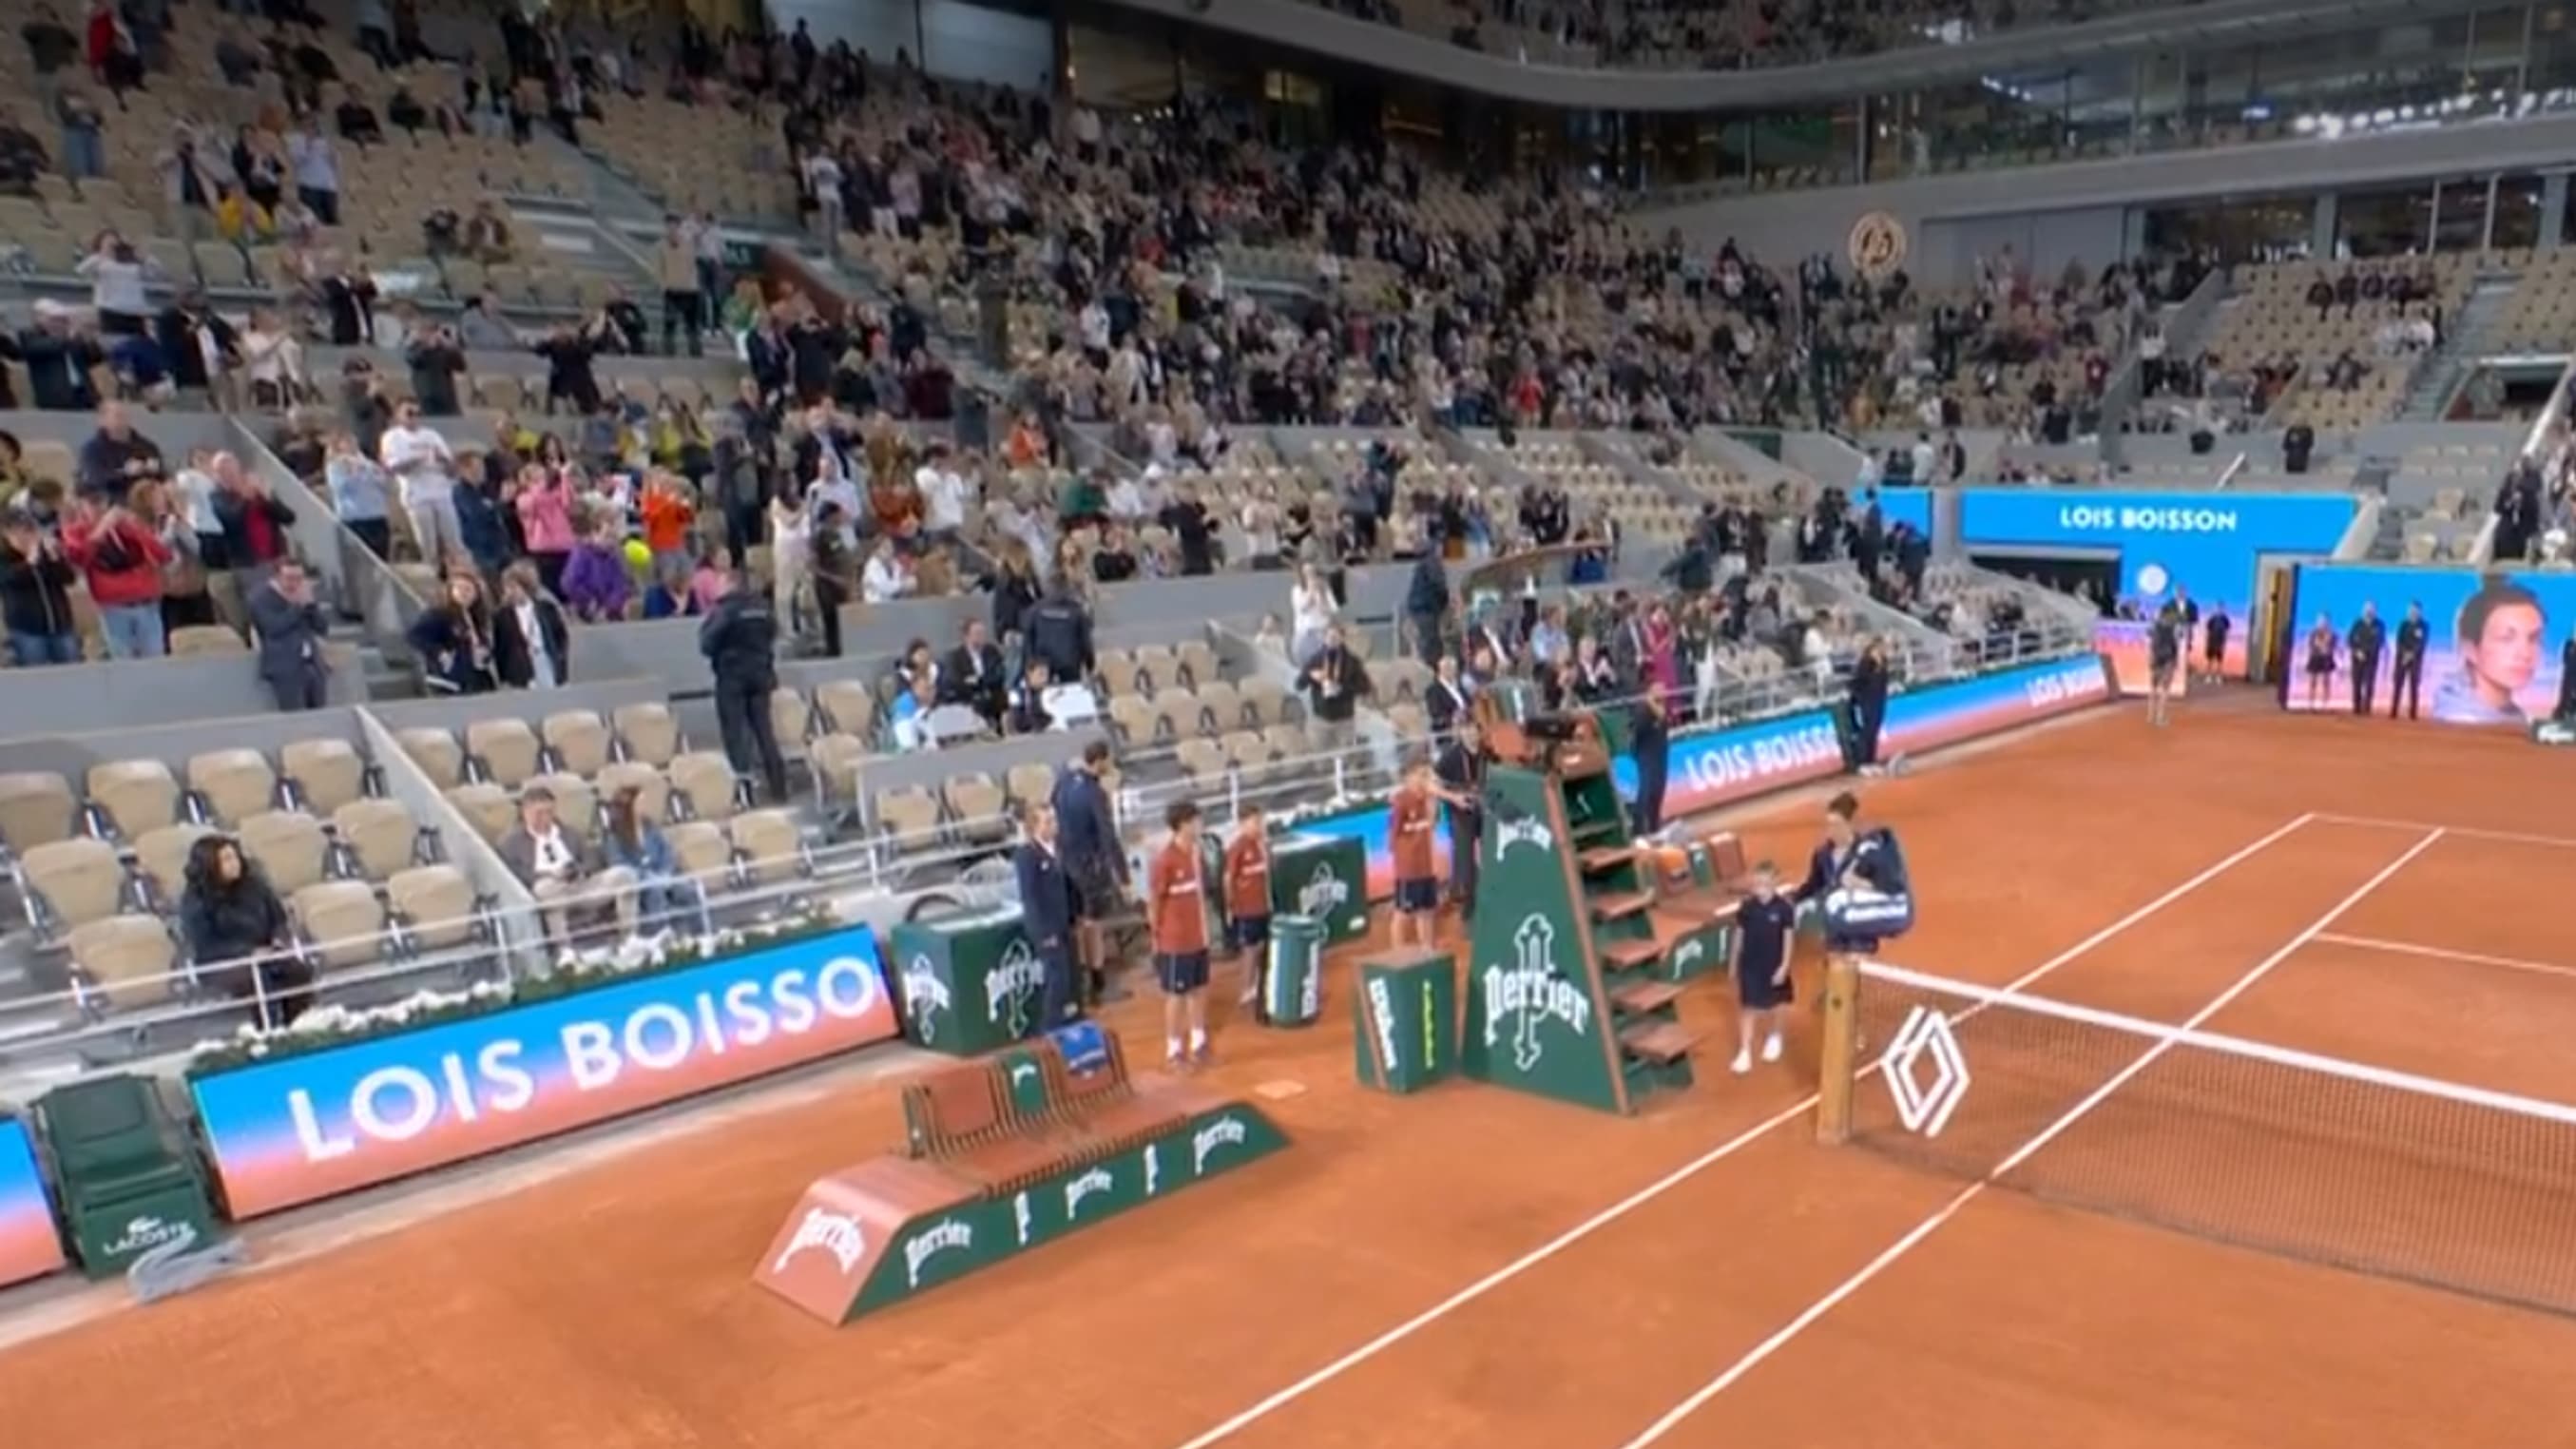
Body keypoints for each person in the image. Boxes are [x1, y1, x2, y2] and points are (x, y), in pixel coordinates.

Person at [179, 833, 313, 1029]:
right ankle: (267, 1032)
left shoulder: (255, 885)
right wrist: (248, 953)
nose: (234, 863)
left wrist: (278, 940)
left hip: (267, 953)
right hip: (223, 963)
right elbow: (206, 946)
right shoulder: (195, 901)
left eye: (234, 857)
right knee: (257, 978)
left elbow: (278, 918)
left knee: (297, 971)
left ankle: (295, 1027)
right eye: (226, 859)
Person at [499, 784, 639, 950]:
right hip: (551, 888)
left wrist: (580, 871)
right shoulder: (511, 843)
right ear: (525, 813)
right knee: (545, 888)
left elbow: (591, 858)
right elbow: (515, 874)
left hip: (581, 885)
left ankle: (629, 938)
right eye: (539, 814)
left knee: (624, 875)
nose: (545, 818)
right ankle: (564, 949)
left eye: (549, 812)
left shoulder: (569, 833)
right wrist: (548, 875)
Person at [698, 565, 789, 802]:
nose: (717, 587)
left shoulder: (725, 610)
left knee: (736, 735)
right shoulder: (762, 608)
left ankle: (745, 791)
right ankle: (778, 787)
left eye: (720, 581)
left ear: (730, 584)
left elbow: (706, 644)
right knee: (765, 733)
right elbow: (773, 633)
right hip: (761, 676)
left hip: (732, 678)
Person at [1052, 740, 1126, 1005]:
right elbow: (1108, 835)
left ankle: (1081, 982)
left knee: (1077, 924)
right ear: (1101, 760)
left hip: (1065, 862)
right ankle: (1098, 984)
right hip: (1089, 867)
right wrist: (1123, 874)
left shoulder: (1063, 780)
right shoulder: (1095, 793)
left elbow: (1054, 811)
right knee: (1093, 924)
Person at [1147, 800, 1215, 1069]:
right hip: (1175, 942)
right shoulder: (1165, 861)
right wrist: (1157, 938)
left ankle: (1199, 1042)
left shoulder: (1196, 854)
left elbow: (1200, 897)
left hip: (1198, 937)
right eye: (1196, 820)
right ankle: (1173, 1049)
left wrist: (1206, 930)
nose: (1200, 824)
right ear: (1183, 825)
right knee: (1176, 996)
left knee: (1199, 990)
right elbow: (1154, 902)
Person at [2432, 580, 2544, 724]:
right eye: (2506, 638)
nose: (2525, 654)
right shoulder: (2461, 723)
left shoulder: (2514, 718)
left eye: (2533, 639)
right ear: (2470, 649)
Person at [1011, 800, 1082, 1028]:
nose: (1055, 826)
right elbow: (1030, 898)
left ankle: (1072, 1017)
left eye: (1055, 820)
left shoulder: (1058, 849)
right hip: (1047, 929)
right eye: (1048, 821)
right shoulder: (1027, 856)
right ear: (1035, 826)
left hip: (1064, 923)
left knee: (1071, 976)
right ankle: (1051, 1026)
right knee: (1057, 978)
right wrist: (1043, 932)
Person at [1730, 860, 1797, 1074]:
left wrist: (1784, 966)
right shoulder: (1747, 908)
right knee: (1748, 1008)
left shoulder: (1784, 908)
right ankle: (1745, 1051)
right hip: (1750, 966)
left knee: (1777, 1005)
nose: (1759, 886)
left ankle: (1776, 1037)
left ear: (1774, 882)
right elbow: (1738, 936)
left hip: (1775, 965)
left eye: (1764, 882)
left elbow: (1788, 939)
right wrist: (1733, 964)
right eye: (1756, 882)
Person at [601, 785, 693, 935]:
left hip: (662, 875)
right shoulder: (613, 836)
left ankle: (701, 935)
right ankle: (661, 939)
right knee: (655, 892)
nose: (645, 806)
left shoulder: (650, 826)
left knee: (688, 889)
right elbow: (619, 865)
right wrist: (647, 877)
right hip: (639, 883)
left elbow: (667, 851)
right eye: (640, 803)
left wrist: (665, 873)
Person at [0, 509, 79, 666]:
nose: (26, 536)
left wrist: (55, 558)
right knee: (35, 673)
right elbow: (11, 579)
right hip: (27, 630)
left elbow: (69, 578)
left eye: (29, 530)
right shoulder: (5, 559)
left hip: (60, 626)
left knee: (71, 670)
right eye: (20, 531)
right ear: (7, 534)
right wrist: (30, 561)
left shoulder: (45, 555)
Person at [249, 559, 331, 710]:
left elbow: (322, 628)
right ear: (277, 577)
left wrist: (311, 607)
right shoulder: (260, 598)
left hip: (312, 664)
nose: (295, 583)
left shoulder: (303, 598)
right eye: (289, 578)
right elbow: (273, 628)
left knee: (320, 713)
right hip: (285, 667)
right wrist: (297, 607)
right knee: (296, 714)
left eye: (299, 578)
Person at [1433, 717, 1488, 917]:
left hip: (1486, 809)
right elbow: (1433, 785)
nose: (1471, 733)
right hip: (1461, 813)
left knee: (1493, 855)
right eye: (1466, 729)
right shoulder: (1451, 755)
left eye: (1474, 728)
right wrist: (1454, 797)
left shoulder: (1488, 751)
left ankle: (1490, 900)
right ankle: (1469, 910)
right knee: (1464, 861)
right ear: (1460, 732)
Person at [410, 572, 496, 694]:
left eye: (468, 590)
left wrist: (484, 653)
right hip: (447, 679)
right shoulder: (439, 614)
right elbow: (415, 636)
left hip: (474, 677)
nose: (464, 593)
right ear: (451, 591)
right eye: (460, 589)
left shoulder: (476, 617)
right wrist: (440, 653)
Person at [491, 559, 569, 689]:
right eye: (507, 587)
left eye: (514, 587)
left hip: (544, 660)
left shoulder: (547, 609)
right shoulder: (502, 616)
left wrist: (560, 661)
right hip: (519, 669)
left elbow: (560, 637)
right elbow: (501, 649)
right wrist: (504, 677)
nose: (510, 591)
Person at [1389, 756, 1441, 948]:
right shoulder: (1400, 801)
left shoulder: (1427, 799)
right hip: (1408, 868)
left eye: (1427, 775)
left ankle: (1427, 950)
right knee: (1403, 913)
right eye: (1421, 775)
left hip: (1427, 866)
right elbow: (1394, 834)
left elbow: (1433, 822)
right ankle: (1398, 955)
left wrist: (1433, 798)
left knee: (1427, 911)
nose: (1425, 779)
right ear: (1409, 776)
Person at [1222, 805, 1271, 1007]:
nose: (1259, 826)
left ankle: (1260, 984)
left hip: (1263, 907)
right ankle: (1246, 989)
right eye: (1255, 822)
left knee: (1262, 947)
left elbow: (1266, 875)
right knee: (1249, 949)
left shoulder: (1261, 846)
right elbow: (1228, 878)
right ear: (1243, 824)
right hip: (1246, 909)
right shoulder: (1238, 847)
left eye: (1260, 821)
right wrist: (1230, 905)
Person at [1630, 690, 1672, 832]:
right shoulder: (1641, 710)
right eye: (1658, 687)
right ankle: (1638, 828)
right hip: (1646, 754)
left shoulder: (1663, 707)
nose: (1663, 690)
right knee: (1646, 790)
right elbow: (1638, 732)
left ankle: (1655, 825)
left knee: (1658, 790)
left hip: (1660, 753)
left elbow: (1666, 722)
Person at [1848, 633, 1894, 763]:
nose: (1884, 648)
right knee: (1868, 729)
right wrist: (1858, 697)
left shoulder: (1883, 660)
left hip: (1879, 698)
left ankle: (1871, 758)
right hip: (1867, 700)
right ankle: (1863, 759)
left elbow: (1884, 679)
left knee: (1875, 729)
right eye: (1882, 646)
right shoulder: (1866, 662)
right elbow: (1858, 680)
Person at [2145, 598, 2182, 728]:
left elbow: (2151, 642)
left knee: (2155, 687)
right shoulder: (2169, 627)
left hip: (2159, 658)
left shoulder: (2156, 626)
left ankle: (2151, 715)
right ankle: (2158, 716)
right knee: (2163, 689)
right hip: (2165, 659)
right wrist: (2175, 659)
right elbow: (2174, 644)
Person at [2390, 600, 2429, 720]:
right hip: (2401, 660)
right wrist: (2404, 654)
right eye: (2411, 610)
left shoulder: (2424, 626)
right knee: (2397, 685)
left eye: (2416, 610)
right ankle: (2394, 711)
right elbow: (2398, 641)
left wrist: (2411, 654)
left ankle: (2413, 713)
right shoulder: (2403, 624)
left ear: (2420, 612)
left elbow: (2422, 643)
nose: (2413, 612)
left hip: (2416, 661)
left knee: (2414, 686)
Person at [2347, 602, 2386, 717]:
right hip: (2356, 659)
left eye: (2372, 609)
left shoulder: (2379, 625)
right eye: (2367, 609)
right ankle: (2356, 708)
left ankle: (2367, 708)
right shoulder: (2357, 624)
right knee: (2356, 683)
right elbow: (2350, 640)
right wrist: (2357, 651)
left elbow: (2380, 642)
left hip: (2372, 660)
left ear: (2375, 611)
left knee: (2369, 684)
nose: (2369, 611)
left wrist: (2367, 652)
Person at [2301, 613, 2338, 711]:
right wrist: (2318, 648)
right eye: (2321, 621)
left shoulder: (2332, 634)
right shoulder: (2313, 633)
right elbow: (2310, 645)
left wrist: (2327, 649)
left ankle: (2325, 703)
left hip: (2326, 659)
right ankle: (2311, 702)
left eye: (2325, 621)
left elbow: (2334, 646)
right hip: (2315, 658)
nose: (2323, 623)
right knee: (2313, 681)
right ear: (2317, 622)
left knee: (2326, 681)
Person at [2201, 605, 2232, 686]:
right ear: (2215, 609)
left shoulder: (2225, 619)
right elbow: (2207, 628)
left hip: (2220, 642)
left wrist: (2224, 640)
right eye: (2218, 608)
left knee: (2219, 660)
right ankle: (2208, 676)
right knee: (2210, 660)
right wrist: (2208, 640)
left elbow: (2228, 629)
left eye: (2221, 608)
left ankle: (2218, 676)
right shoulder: (2212, 618)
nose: (2219, 610)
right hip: (2211, 641)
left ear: (2223, 609)